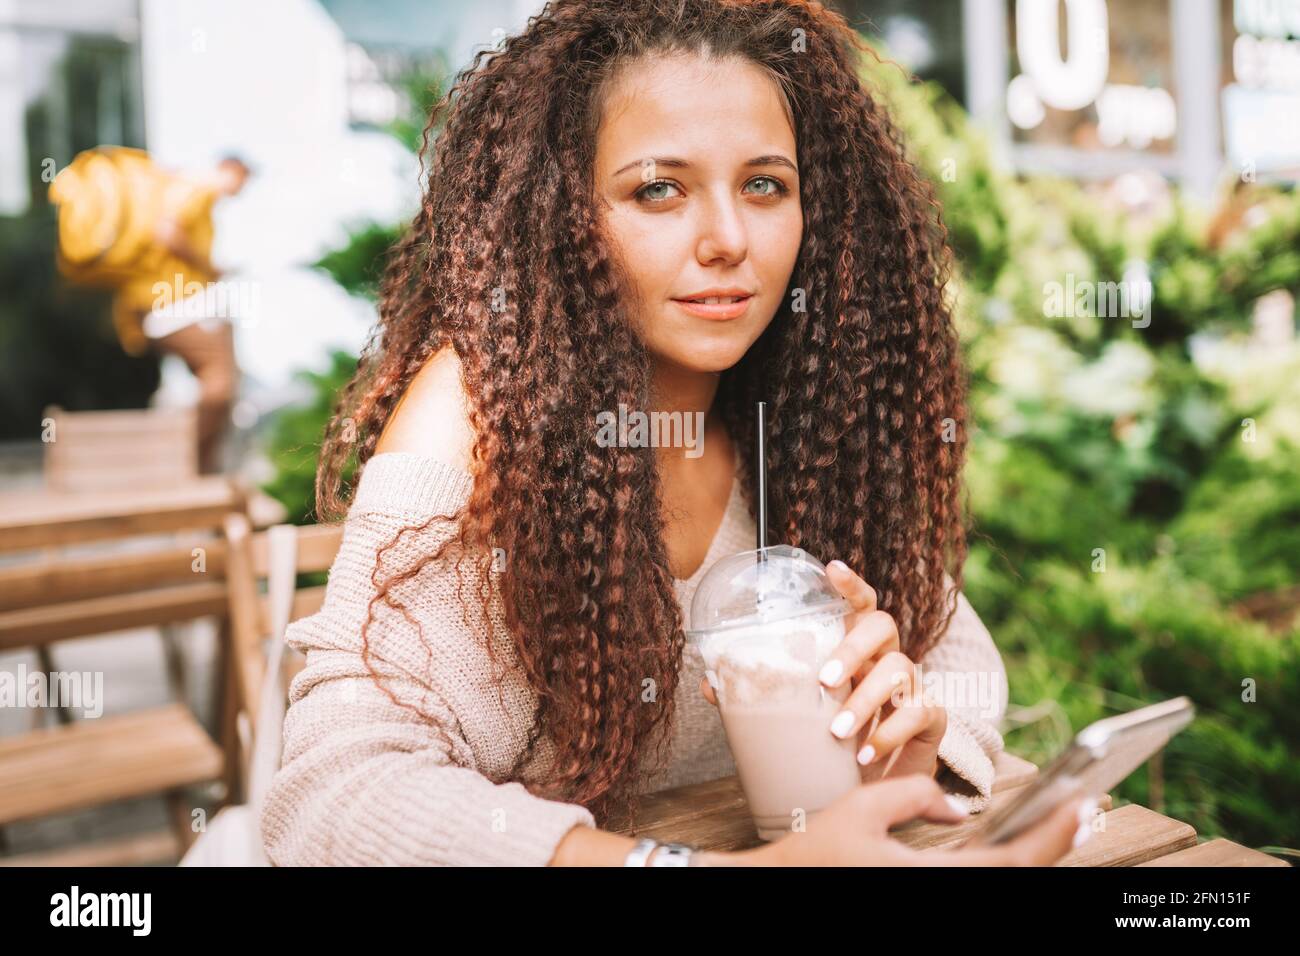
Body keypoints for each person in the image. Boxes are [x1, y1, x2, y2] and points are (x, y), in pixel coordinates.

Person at [259, 0, 1096, 866]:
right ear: (562, 215)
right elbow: (332, 795)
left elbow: (957, 654)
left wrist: (908, 746)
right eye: (659, 189)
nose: (728, 239)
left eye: (765, 185)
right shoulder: (473, 420)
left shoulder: (807, 421)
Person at [121, 154, 250, 473]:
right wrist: (209, 267)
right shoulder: (199, 187)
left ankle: (204, 465)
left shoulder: (186, 188)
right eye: (242, 181)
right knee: (221, 381)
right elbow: (165, 231)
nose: (240, 190)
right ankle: (192, 463)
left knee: (221, 374)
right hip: (171, 306)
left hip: (169, 305)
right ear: (231, 170)